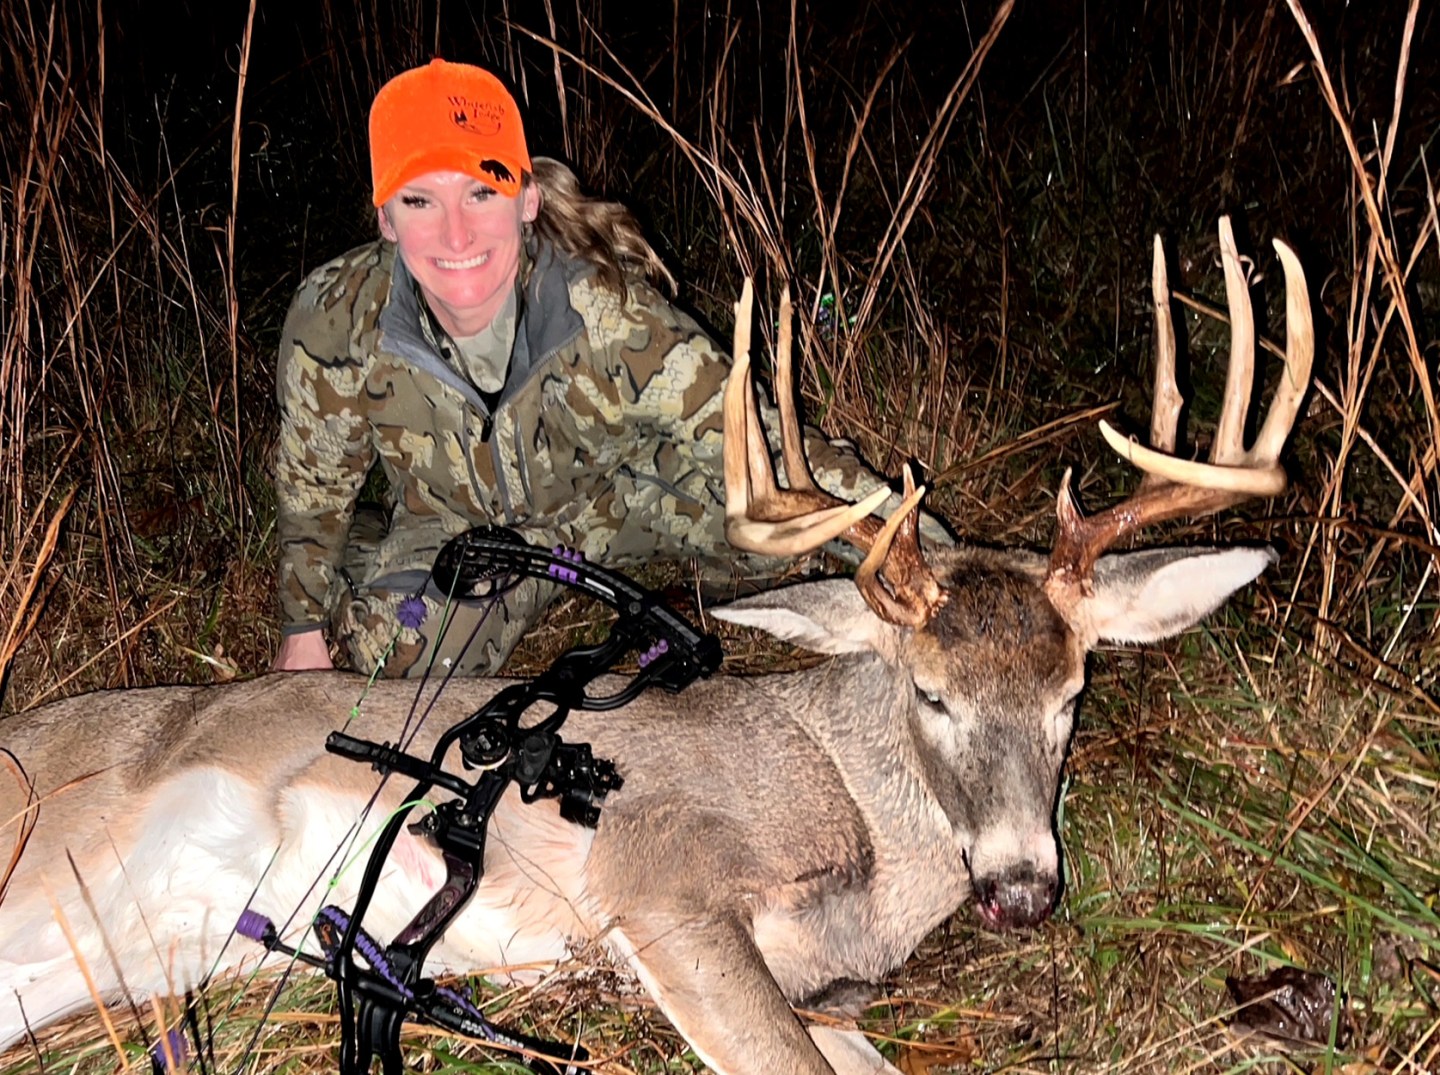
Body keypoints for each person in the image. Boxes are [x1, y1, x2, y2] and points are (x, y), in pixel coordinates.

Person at [272, 58, 934, 677]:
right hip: (457, 530)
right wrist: (302, 626)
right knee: (393, 652)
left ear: (527, 200)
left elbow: (761, 448)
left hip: (622, 498)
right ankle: (373, 553)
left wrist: (932, 555)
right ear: (385, 218)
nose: (456, 235)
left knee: (785, 535)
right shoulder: (337, 318)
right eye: (419, 201)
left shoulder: (609, 316)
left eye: (481, 192)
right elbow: (314, 482)